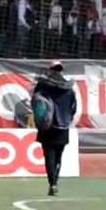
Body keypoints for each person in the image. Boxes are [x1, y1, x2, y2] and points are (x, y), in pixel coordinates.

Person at [32, 61, 77, 196]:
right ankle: (55, 181)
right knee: (58, 157)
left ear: (50, 70)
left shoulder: (42, 86)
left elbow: (35, 101)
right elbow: (73, 108)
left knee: (49, 156)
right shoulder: (69, 90)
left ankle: (52, 183)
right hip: (63, 126)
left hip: (47, 126)